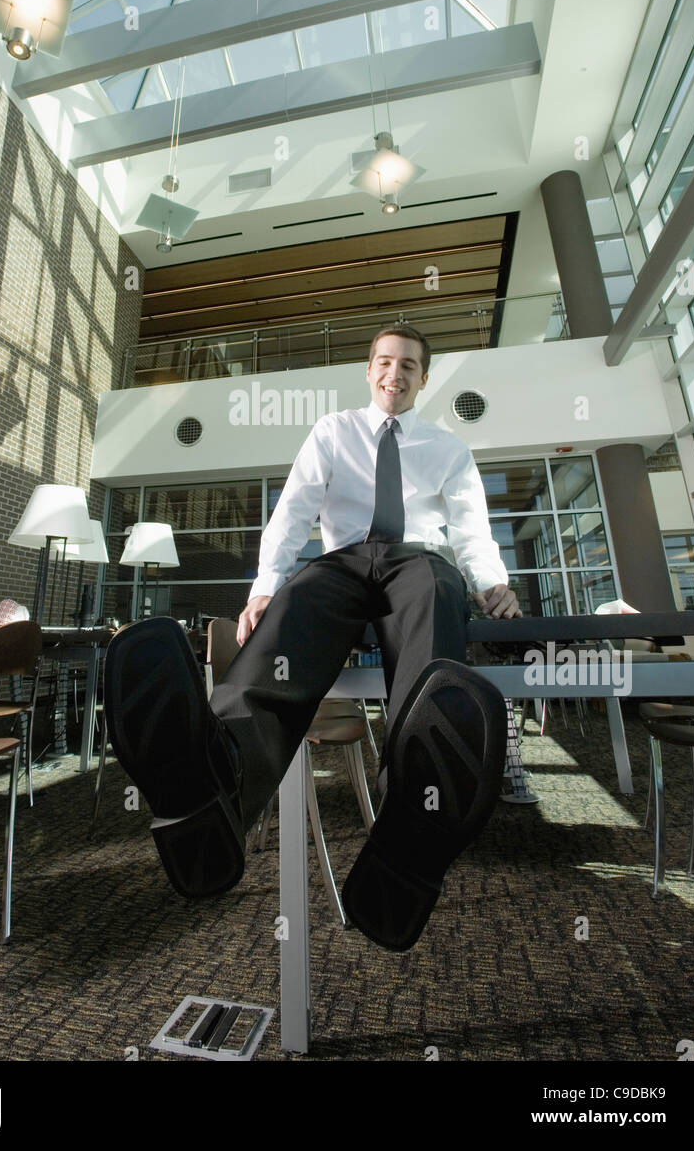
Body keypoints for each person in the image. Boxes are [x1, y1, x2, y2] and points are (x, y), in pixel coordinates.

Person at [105, 323, 522, 950]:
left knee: (438, 596)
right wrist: (266, 585)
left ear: (423, 378)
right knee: (297, 602)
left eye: (409, 365)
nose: (395, 373)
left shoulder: (448, 447)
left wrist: (491, 583)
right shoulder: (333, 432)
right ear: (369, 369)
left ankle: (417, 794)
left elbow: (471, 530)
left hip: (417, 561)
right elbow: (294, 510)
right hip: (345, 560)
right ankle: (220, 771)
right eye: (385, 361)